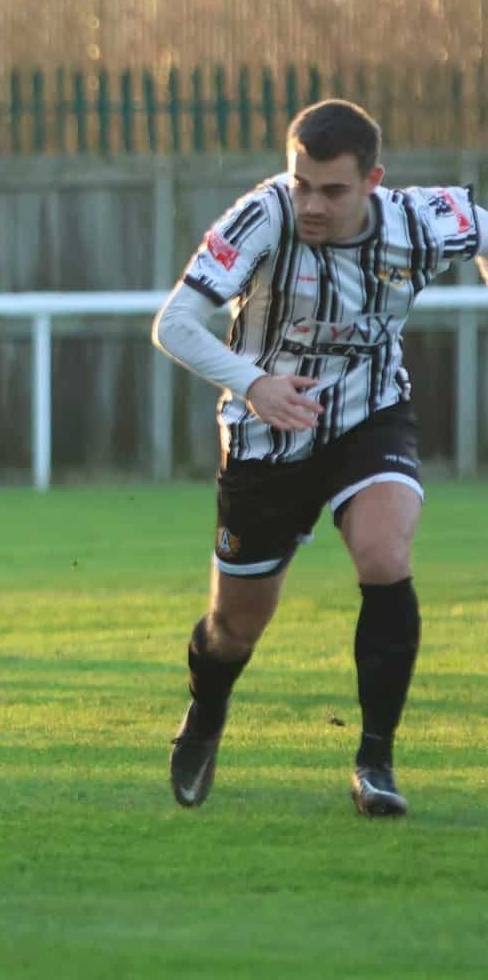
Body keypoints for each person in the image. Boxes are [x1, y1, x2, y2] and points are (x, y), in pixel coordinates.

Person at [153, 98, 487, 817]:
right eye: (301, 182)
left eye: (331, 190)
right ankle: (206, 712)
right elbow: (174, 323)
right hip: (266, 436)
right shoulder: (263, 214)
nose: (310, 203)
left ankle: (375, 761)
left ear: (373, 181)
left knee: (384, 554)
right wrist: (255, 384)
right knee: (234, 627)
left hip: (370, 413)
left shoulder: (420, 219)